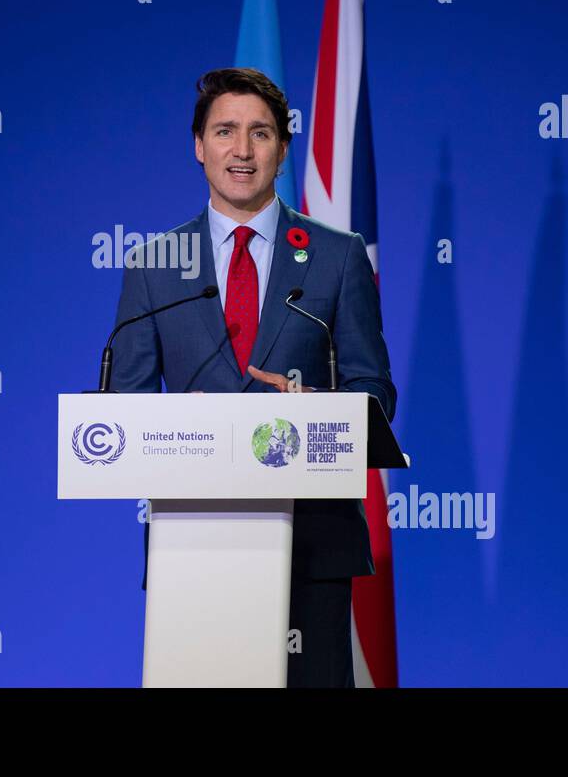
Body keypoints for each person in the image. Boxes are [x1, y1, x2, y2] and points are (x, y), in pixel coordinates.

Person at [110, 67, 397, 687]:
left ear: (283, 147)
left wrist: (316, 411)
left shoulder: (336, 254)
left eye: (260, 133)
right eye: (225, 131)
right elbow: (124, 412)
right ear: (198, 146)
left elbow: (374, 392)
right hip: (193, 547)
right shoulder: (154, 265)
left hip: (312, 546)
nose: (242, 150)